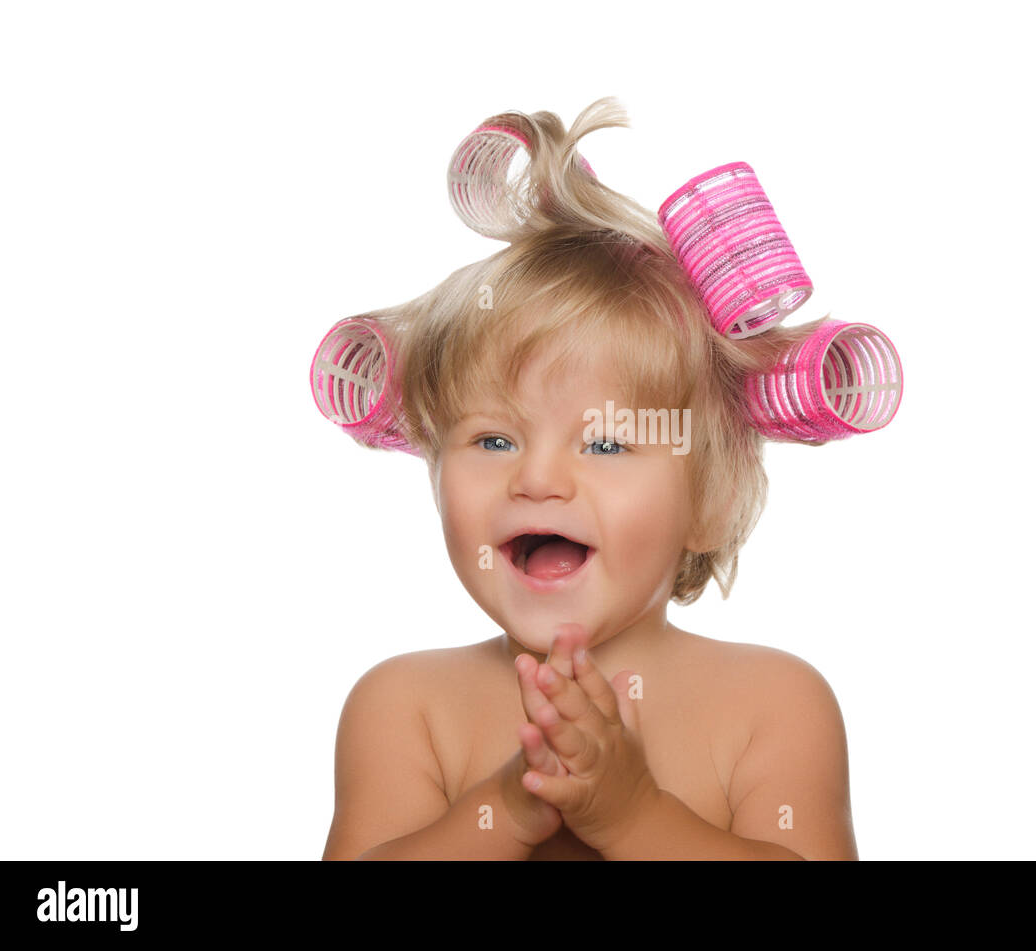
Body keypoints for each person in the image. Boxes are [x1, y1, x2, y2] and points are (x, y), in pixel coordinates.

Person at [319, 97, 873, 860]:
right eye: (492, 437)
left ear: (709, 501)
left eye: (607, 444)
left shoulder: (773, 705)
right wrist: (507, 809)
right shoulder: (406, 707)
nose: (537, 477)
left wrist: (633, 815)